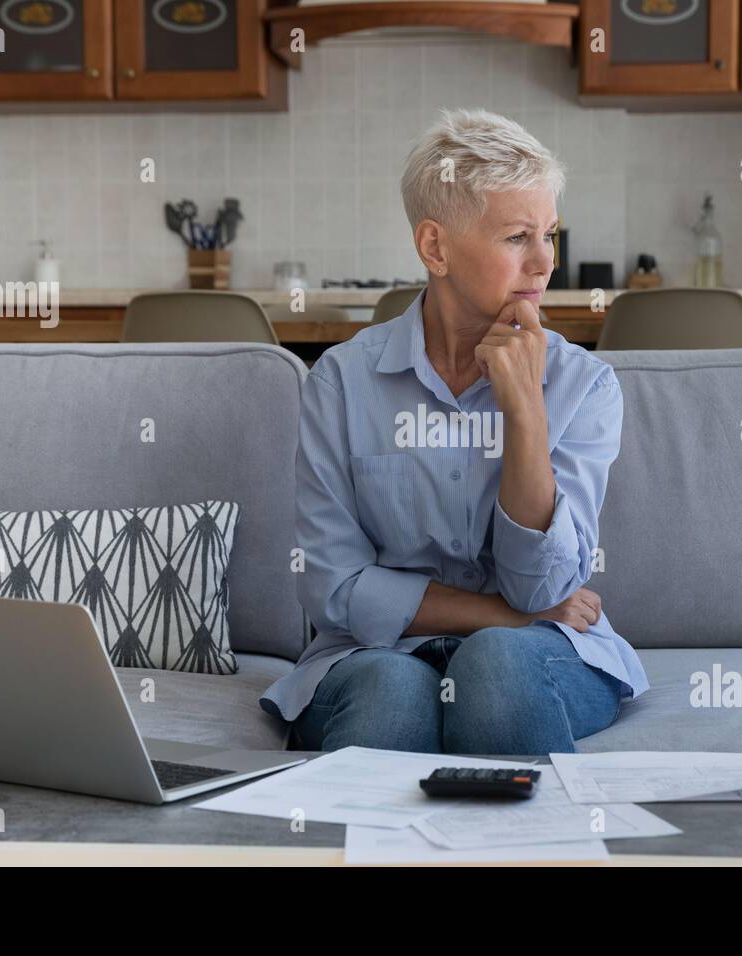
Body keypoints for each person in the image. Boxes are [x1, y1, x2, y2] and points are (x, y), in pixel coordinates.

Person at [258, 107, 649, 753]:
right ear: (435, 247)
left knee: (493, 666)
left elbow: (545, 588)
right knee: (392, 687)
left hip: (535, 653)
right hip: (373, 656)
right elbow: (334, 587)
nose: (545, 261)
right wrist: (502, 613)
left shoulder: (585, 386)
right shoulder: (343, 380)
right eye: (518, 237)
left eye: (551, 233)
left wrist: (524, 406)